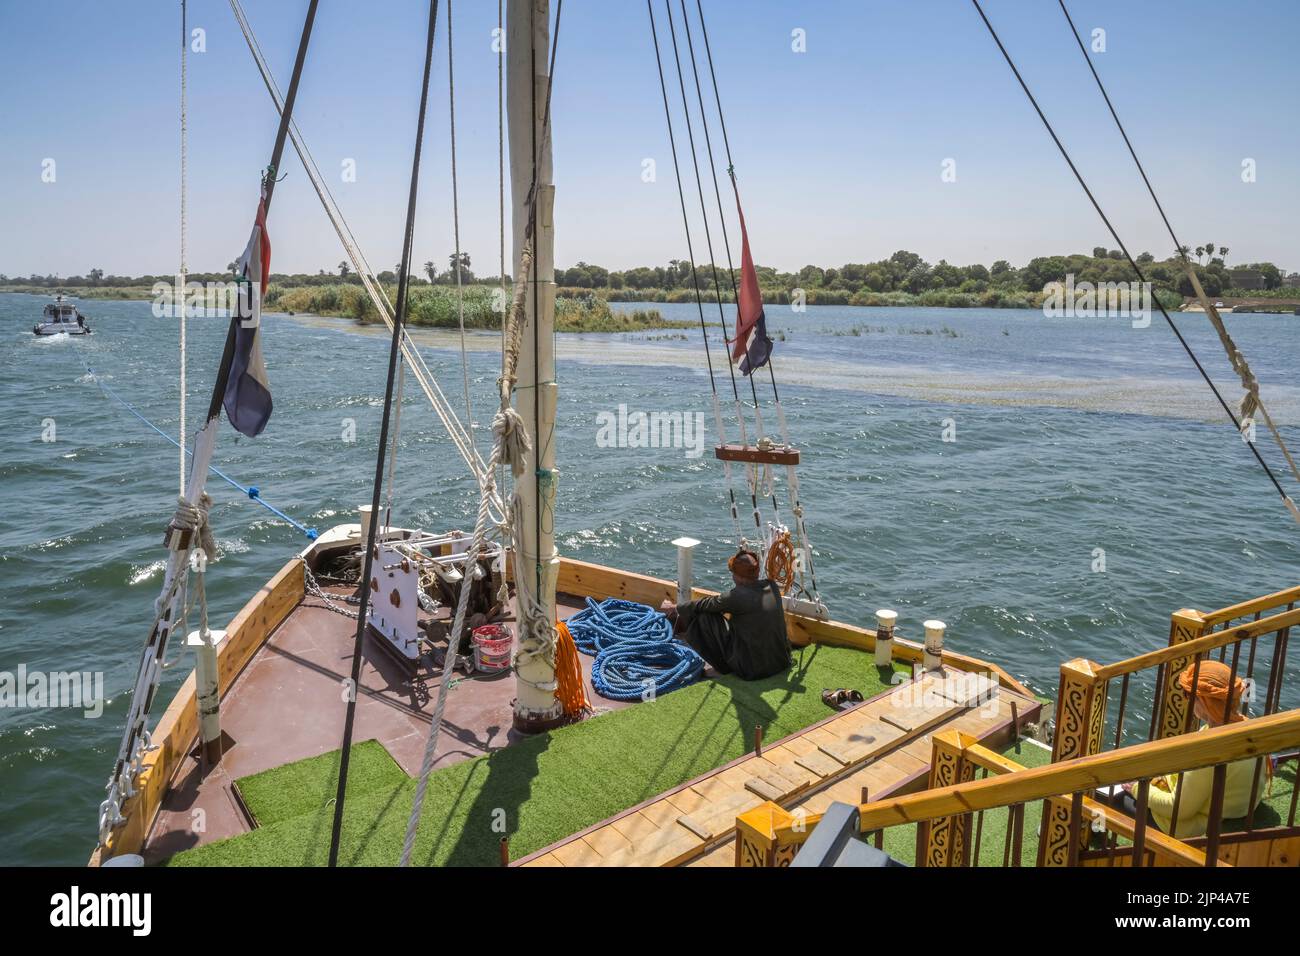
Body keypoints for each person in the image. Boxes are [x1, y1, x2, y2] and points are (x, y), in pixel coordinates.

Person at [1116, 659, 1266, 838]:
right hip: (1238, 809)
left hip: (1199, 825)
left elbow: (1177, 809)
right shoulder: (1248, 727)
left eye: (1189, 694)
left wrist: (1135, 789)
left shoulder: (1210, 750)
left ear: (1204, 701)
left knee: (1113, 799)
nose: (1187, 699)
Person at [659, 549, 791, 681]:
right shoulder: (772, 586)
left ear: (738, 576)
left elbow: (705, 605)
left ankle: (721, 668)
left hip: (751, 670)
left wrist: (675, 607)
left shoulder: (737, 596)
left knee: (704, 615)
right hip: (781, 662)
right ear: (757, 572)